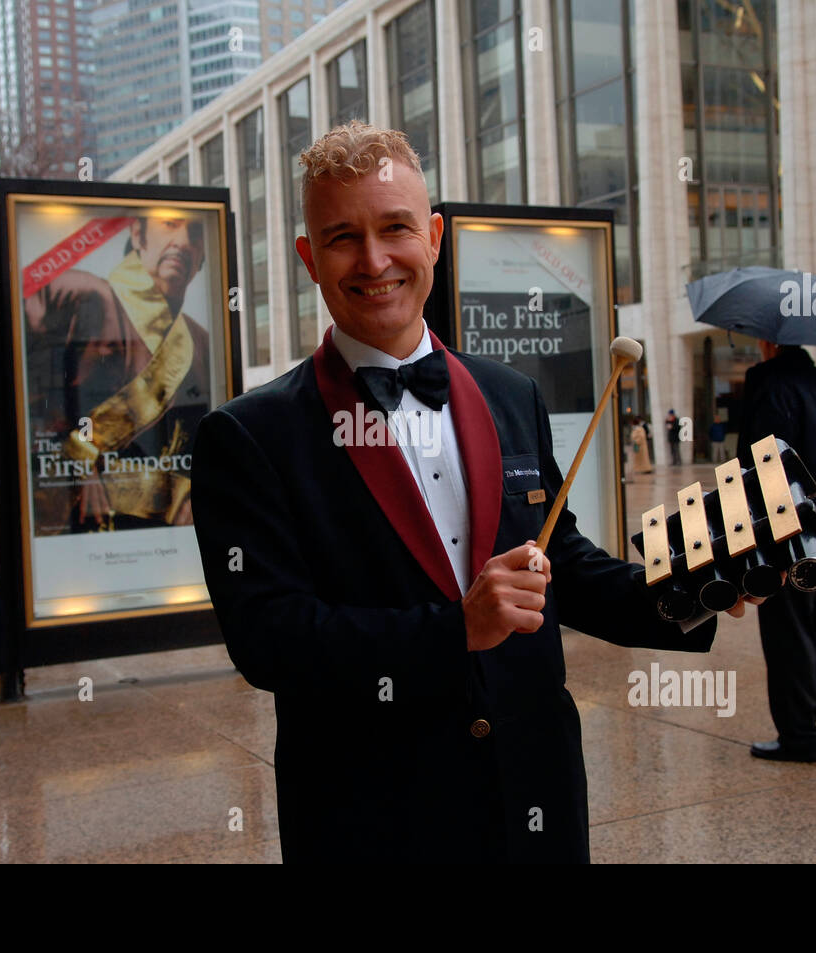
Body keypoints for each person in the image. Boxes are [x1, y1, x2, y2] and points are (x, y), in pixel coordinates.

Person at [191, 121, 767, 863]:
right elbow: (268, 640)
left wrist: (699, 585)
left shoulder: (509, 393)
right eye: (342, 237)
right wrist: (453, 628)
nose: (374, 261)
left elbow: (563, 570)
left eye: (395, 228)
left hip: (536, 801)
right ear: (308, 256)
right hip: (372, 822)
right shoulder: (248, 436)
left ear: (433, 236)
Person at [24, 213, 212, 533]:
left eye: (195, 233)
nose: (183, 242)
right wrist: (79, 459)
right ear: (137, 234)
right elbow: (27, 394)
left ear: (202, 258)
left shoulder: (199, 342)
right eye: (170, 225)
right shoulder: (76, 292)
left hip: (158, 533)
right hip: (75, 528)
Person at [737, 341, 816, 762]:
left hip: (789, 536)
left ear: (769, 341)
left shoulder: (771, 387)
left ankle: (800, 736)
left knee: (789, 632)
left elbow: (758, 469)